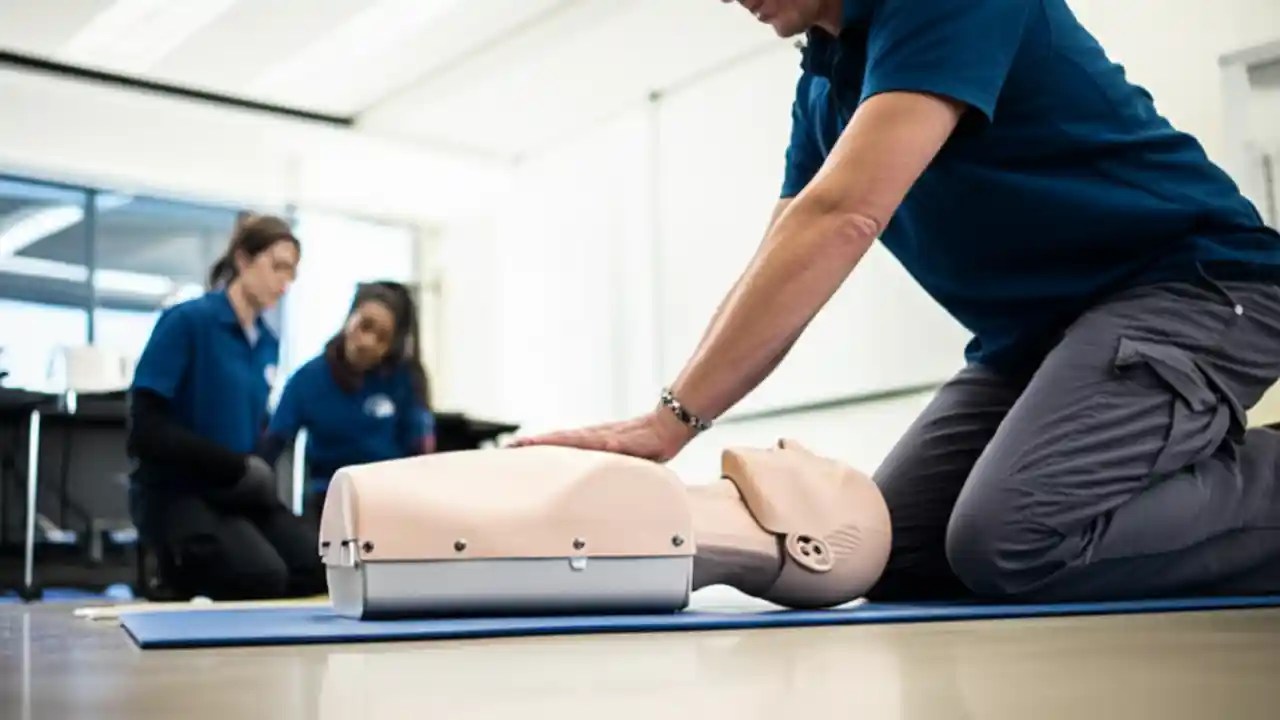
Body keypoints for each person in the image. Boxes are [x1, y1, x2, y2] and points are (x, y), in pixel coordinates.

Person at [514, 0, 1280, 603]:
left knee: (1009, 541)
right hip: (1035, 337)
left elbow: (843, 216)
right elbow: (784, 253)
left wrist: (667, 424)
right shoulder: (822, 83)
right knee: (890, 553)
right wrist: (666, 419)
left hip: (1196, 287)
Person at [126, 214, 325, 600]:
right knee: (261, 577)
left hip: (235, 492)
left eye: (292, 272)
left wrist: (257, 471)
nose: (286, 282)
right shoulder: (187, 322)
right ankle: (169, 569)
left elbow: (251, 425)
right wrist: (233, 466)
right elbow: (145, 430)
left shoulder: (267, 342)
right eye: (278, 266)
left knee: (314, 568)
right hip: (178, 491)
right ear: (243, 260)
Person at [259, 281, 436, 523]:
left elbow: (422, 455)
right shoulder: (308, 379)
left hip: (391, 504)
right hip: (328, 504)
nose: (368, 342)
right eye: (365, 326)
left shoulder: (405, 380)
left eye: (382, 337)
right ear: (348, 319)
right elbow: (273, 443)